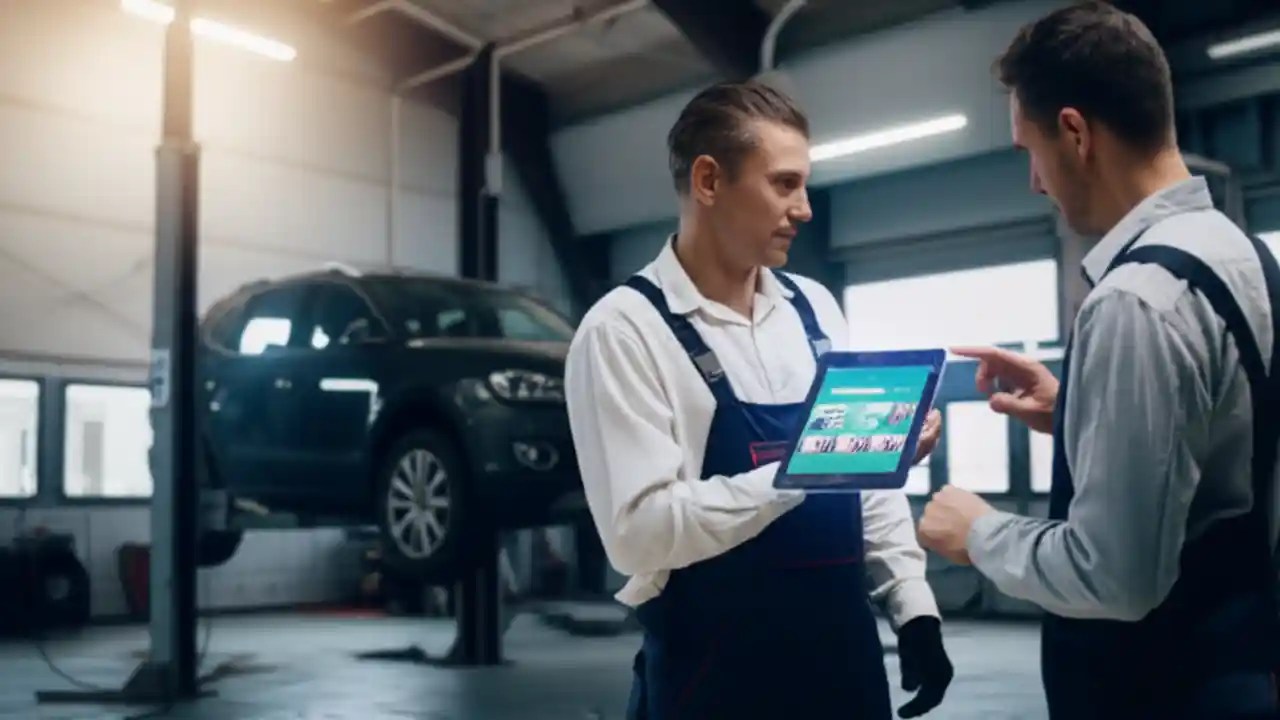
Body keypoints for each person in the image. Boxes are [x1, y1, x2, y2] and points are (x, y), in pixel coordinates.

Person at [916, 3, 1280, 718]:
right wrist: (1079, 409)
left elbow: (1117, 576)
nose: (1035, 182)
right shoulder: (1244, 256)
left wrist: (980, 534)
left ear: (1076, 134)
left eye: (1030, 151)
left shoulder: (1135, 302)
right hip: (1240, 667)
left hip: (1157, 689)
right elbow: (1226, 437)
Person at [565, 80, 954, 720]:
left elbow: (868, 488)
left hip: (844, 669)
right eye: (783, 183)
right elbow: (639, 534)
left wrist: (912, 605)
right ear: (709, 181)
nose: (804, 208)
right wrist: (809, 467)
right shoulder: (625, 331)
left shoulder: (814, 310)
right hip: (715, 681)